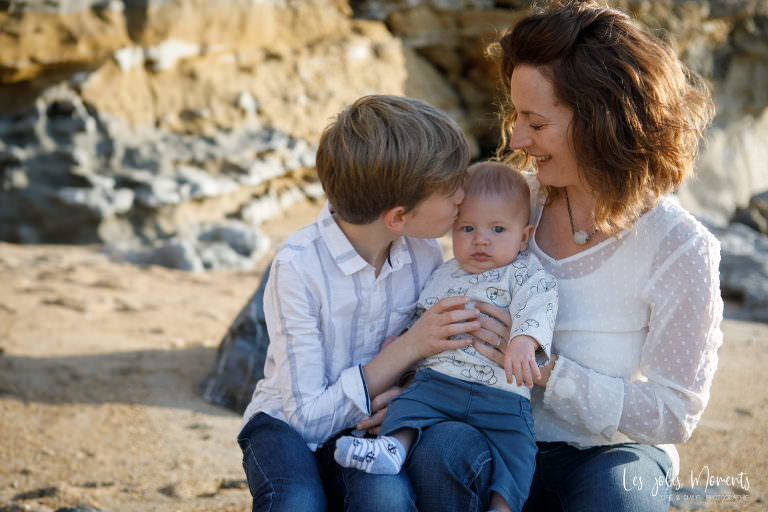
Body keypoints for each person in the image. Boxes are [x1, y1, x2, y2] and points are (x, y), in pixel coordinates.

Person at [405, 2, 724, 511]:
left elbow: (673, 413)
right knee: (438, 453)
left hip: (611, 453)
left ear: (602, 121)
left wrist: (546, 370)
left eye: (535, 122)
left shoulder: (680, 247)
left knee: (619, 499)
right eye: (515, 117)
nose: (515, 139)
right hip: (492, 433)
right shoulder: (508, 209)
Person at [236, 94, 510, 512]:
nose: (463, 193)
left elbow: (424, 367)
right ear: (398, 218)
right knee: (297, 501)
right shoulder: (298, 266)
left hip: (370, 426)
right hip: (283, 425)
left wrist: (405, 394)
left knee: (386, 498)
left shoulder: (424, 254)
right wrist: (409, 347)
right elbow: (304, 417)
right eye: (451, 187)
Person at [333, 161, 559, 512]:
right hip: (440, 382)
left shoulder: (527, 273)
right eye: (467, 228)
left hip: (500, 395)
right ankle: (393, 448)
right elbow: (424, 317)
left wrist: (524, 341)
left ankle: (503, 506)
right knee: (408, 404)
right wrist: (404, 340)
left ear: (525, 236)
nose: (481, 239)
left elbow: (539, 308)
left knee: (520, 448)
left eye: (498, 229)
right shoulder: (444, 272)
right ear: (452, 229)